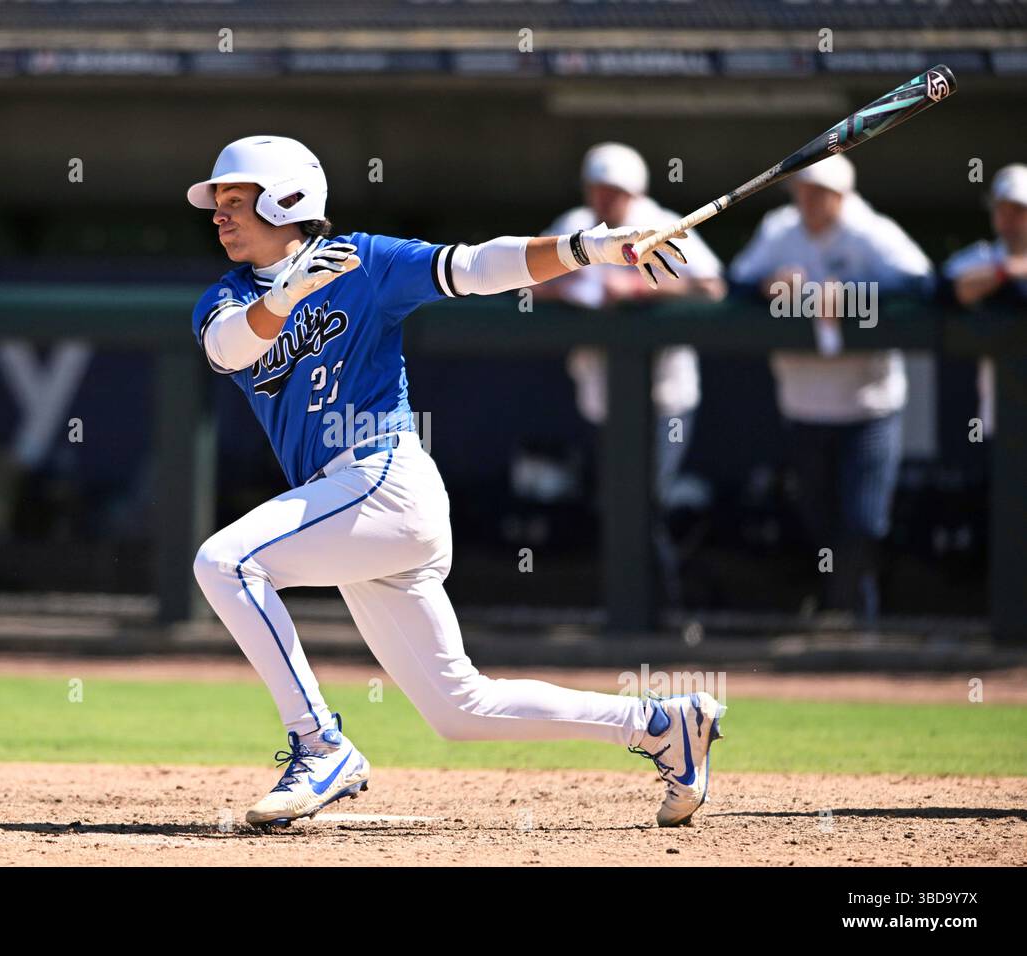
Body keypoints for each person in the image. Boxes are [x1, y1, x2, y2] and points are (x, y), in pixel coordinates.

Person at [187, 135, 725, 828]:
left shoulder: (365, 260)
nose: (220, 214)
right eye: (219, 202)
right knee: (459, 709)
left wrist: (588, 247)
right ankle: (661, 726)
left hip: (383, 479)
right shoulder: (225, 296)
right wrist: (287, 294)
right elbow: (229, 348)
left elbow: (475, 266)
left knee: (223, 561)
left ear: (286, 199)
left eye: (237, 200)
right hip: (351, 514)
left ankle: (321, 745)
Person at [729, 154, 933, 621]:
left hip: (868, 403)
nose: (807, 201)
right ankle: (837, 611)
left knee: (864, 521)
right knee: (820, 521)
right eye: (802, 191)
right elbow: (734, 282)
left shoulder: (868, 230)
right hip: (803, 403)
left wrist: (850, 291)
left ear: (841, 196)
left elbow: (921, 284)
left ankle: (860, 618)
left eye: (818, 193)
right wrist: (768, 284)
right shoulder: (780, 228)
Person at [535, 142, 726, 608]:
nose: (604, 199)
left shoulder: (660, 223)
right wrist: (574, 289)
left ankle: (664, 607)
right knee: (619, 505)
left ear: (634, 191)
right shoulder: (572, 226)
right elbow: (526, 280)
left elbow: (712, 286)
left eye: (614, 191)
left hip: (665, 397)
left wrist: (640, 287)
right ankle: (641, 606)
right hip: (601, 394)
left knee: (643, 504)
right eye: (597, 190)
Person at [941, 163, 1027, 437]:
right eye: (1003, 210)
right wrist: (1005, 272)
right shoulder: (983, 258)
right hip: (1001, 413)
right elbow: (945, 289)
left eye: (1019, 211)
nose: (1010, 220)